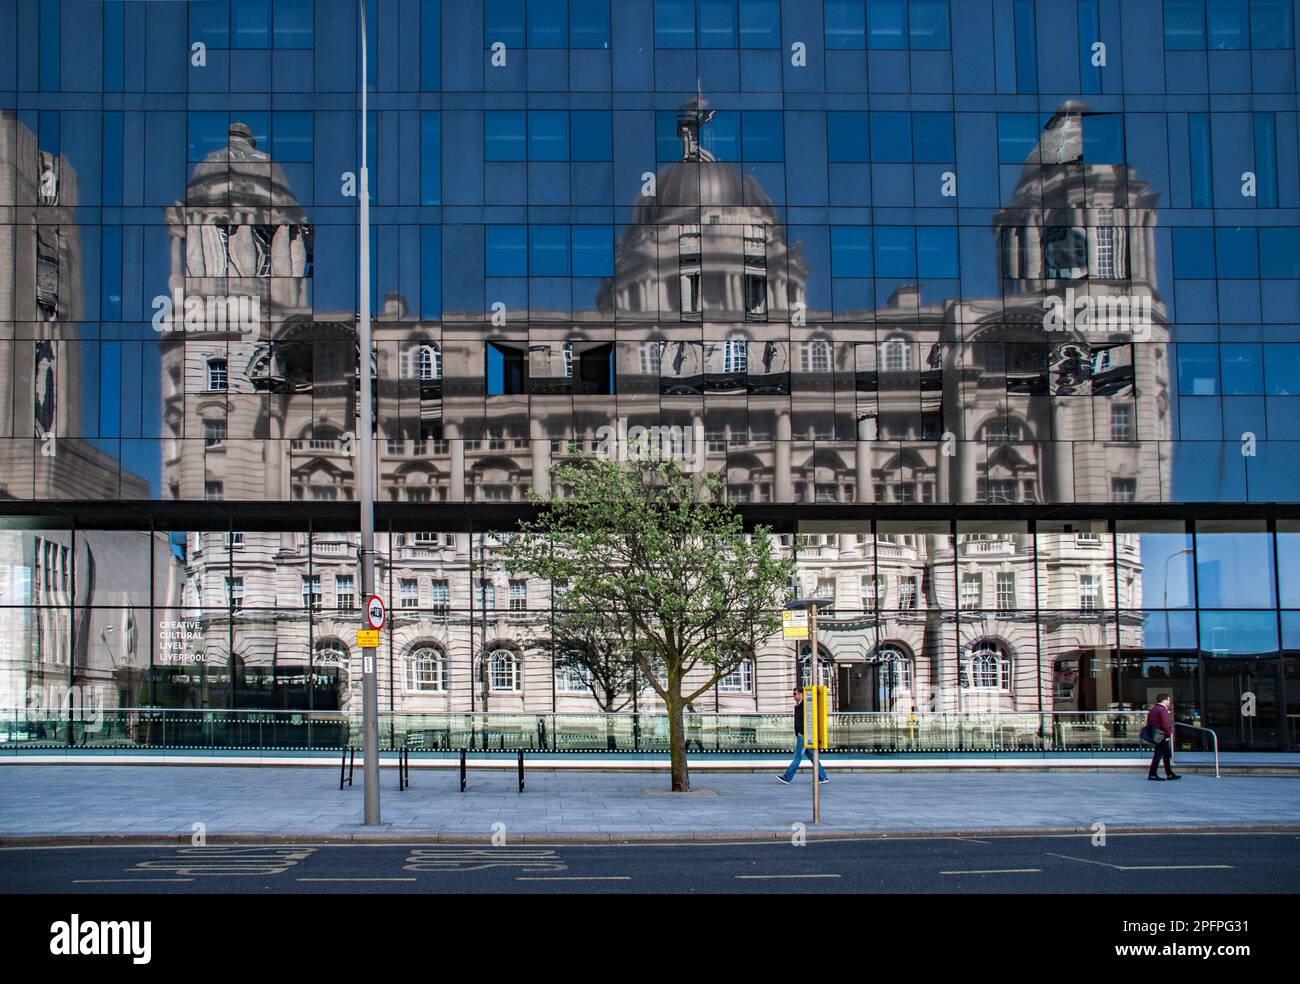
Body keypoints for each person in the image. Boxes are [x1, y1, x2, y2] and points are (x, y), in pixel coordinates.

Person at [778, 687, 828, 785]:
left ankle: (787, 777)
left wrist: (801, 732)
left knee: (798, 756)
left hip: (803, 735)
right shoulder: (801, 705)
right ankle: (823, 777)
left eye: (795, 694)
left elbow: (807, 720)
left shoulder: (805, 705)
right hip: (802, 734)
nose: (793, 696)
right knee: (812, 757)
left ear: (801, 694)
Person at [1146, 693, 1181, 781]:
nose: (1169, 702)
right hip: (1162, 735)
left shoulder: (1153, 709)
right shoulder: (1162, 710)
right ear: (1164, 700)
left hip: (1156, 735)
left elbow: (1150, 722)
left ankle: (1169, 774)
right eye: (1168, 700)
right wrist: (1168, 735)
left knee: (1166, 754)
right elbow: (1165, 724)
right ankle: (1152, 774)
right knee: (1158, 755)